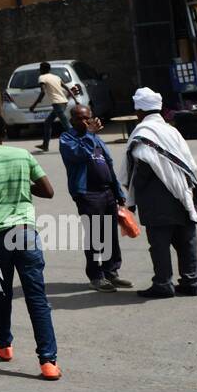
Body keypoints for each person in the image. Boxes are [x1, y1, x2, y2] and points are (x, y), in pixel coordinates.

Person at [0, 114, 60, 380]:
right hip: (26, 233)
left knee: (1, 293)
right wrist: (23, 189)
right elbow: (49, 191)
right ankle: (48, 362)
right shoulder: (23, 155)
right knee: (36, 297)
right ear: (5, 132)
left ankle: (4, 344)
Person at [124, 87, 197, 299]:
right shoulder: (171, 130)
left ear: (140, 110)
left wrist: (132, 193)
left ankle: (163, 284)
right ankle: (190, 281)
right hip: (183, 193)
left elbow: (144, 164)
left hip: (157, 198)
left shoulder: (144, 132)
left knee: (159, 245)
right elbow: (189, 162)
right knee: (186, 241)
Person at [59, 104, 132, 292]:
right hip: (87, 193)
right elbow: (78, 154)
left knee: (110, 234)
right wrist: (90, 134)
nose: (86, 121)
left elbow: (108, 165)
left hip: (106, 191)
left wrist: (117, 191)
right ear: (72, 120)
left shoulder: (96, 139)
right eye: (82, 118)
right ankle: (96, 275)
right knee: (95, 235)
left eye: (88, 117)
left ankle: (111, 272)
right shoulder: (67, 139)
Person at [30, 62, 71, 153]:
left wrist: (34, 105)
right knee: (47, 122)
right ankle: (45, 145)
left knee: (67, 125)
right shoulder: (56, 77)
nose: (40, 71)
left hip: (57, 104)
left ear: (43, 69)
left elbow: (43, 92)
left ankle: (82, 142)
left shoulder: (42, 78)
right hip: (63, 102)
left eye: (40, 69)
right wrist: (74, 99)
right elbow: (67, 88)